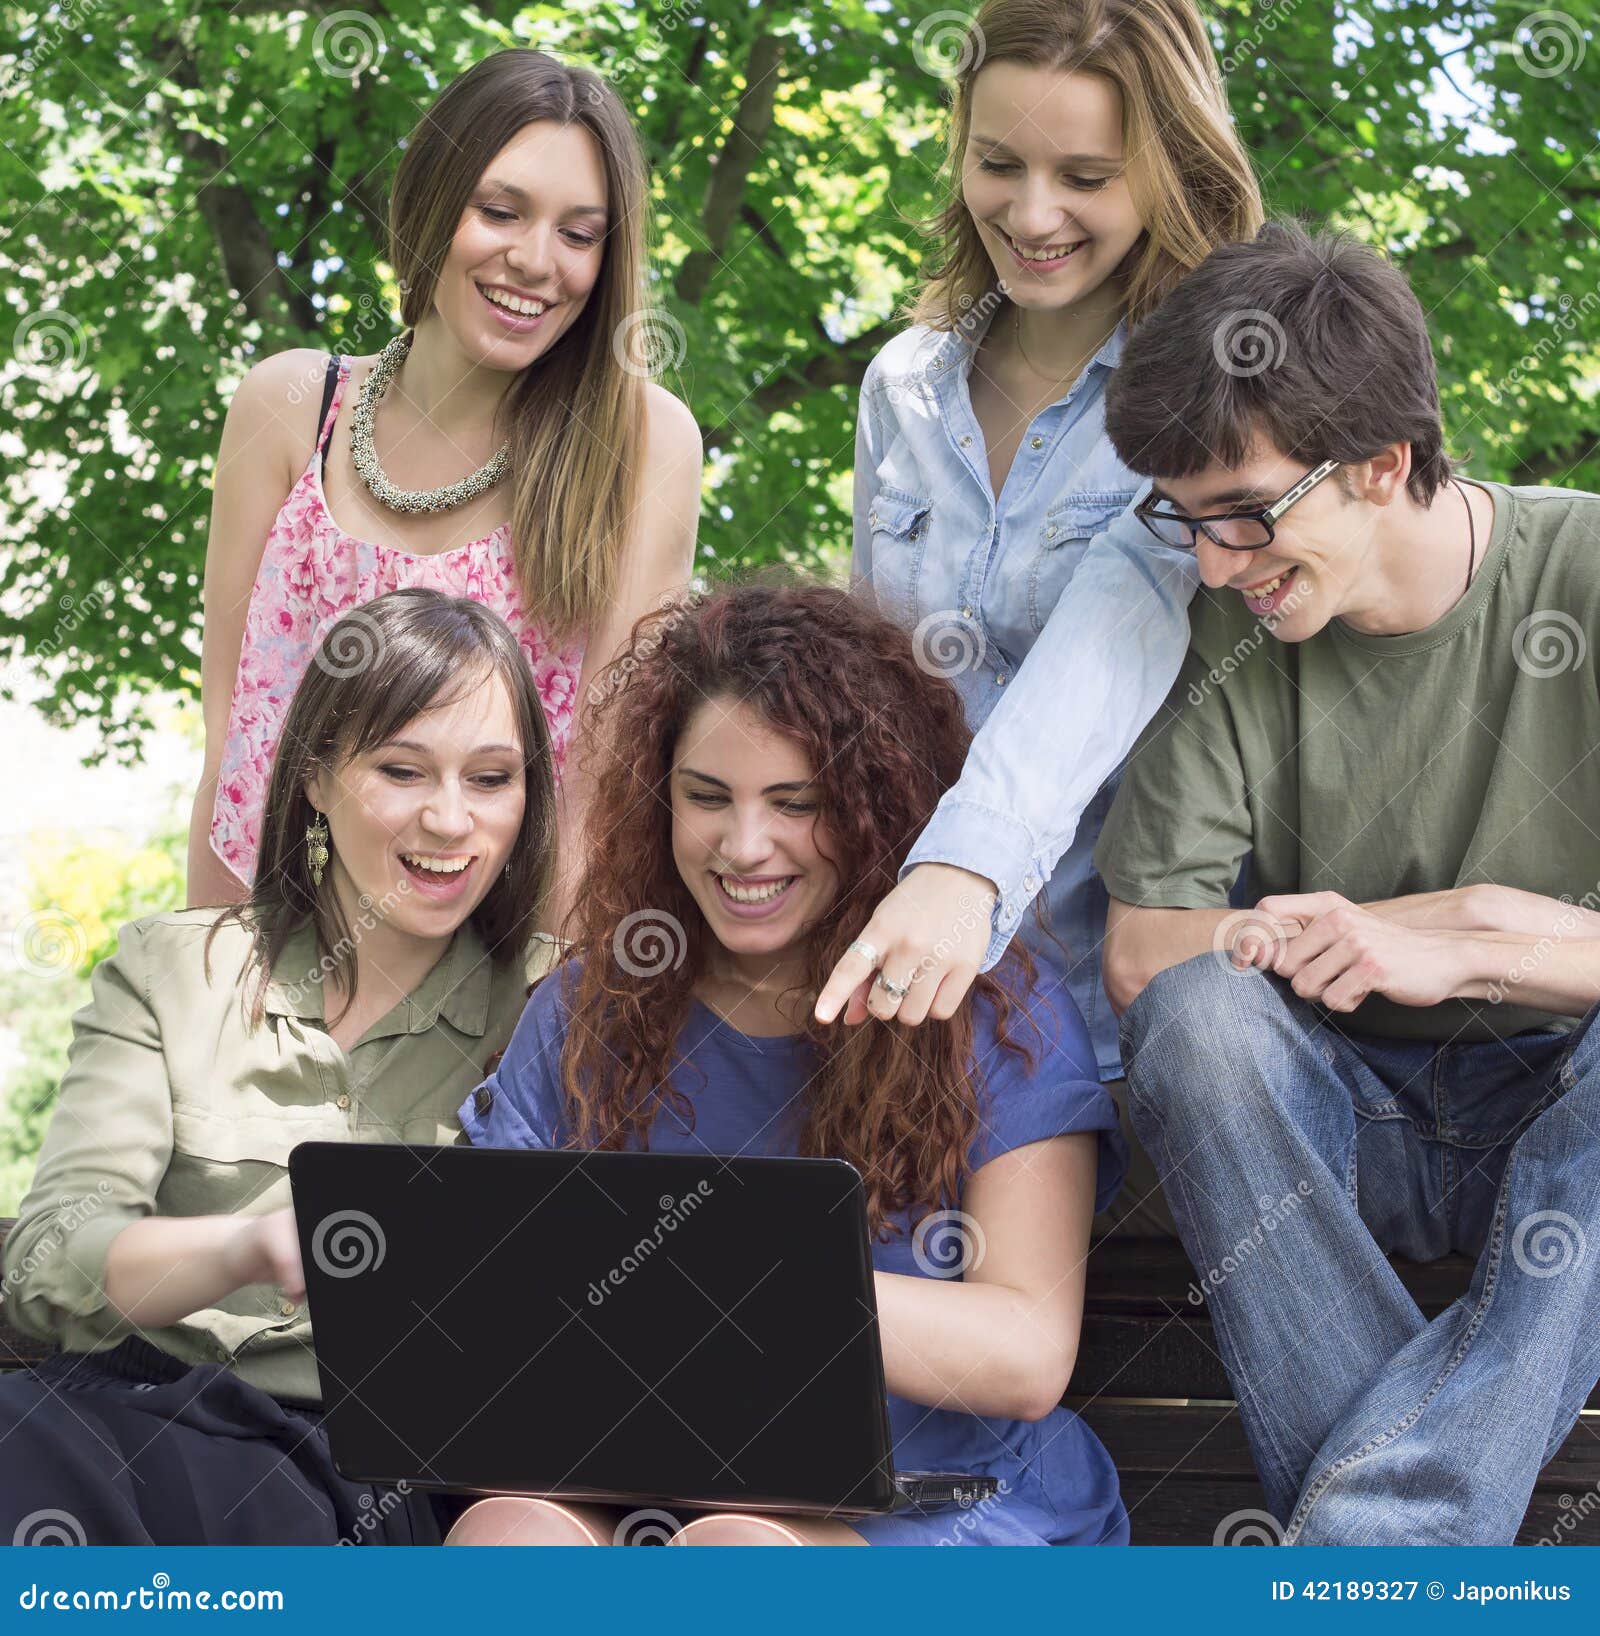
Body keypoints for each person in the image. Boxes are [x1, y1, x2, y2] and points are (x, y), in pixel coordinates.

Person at [1092, 221, 1600, 1544]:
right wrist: (1360, 941)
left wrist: (1473, 940)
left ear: (1383, 463)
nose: (1213, 561)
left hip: (1565, 1141)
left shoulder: (1586, 577)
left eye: (1246, 514)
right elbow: (1149, 950)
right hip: (1335, 1127)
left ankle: (1374, 1554)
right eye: (1184, 519)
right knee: (1198, 1022)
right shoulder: (1233, 629)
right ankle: (1407, 1543)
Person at [445, 583, 1128, 1546]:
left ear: (874, 808)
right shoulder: (591, 1005)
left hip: (932, 1494)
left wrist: (736, 1274)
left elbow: (1025, 1353)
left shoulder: (991, 1009)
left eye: (796, 804)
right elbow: (482, 1284)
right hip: (650, 1479)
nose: (744, 846)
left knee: (739, 1553)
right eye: (706, 797)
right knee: (508, 1536)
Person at [1, 590, 560, 1545]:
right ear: (312, 776)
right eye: (400, 770)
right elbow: (46, 1260)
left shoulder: (558, 1006)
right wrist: (241, 1249)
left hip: (369, 1470)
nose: (449, 818)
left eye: (492, 778)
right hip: (120, 1409)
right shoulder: (173, 970)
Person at [830, 0, 1261, 1233]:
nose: (1030, 215)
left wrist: (962, 874)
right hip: (908, 992)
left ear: (1169, 172)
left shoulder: (1218, 383)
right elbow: (873, 691)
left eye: (1083, 176)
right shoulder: (900, 386)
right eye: (997, 164)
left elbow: (1113, 638)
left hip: (1109, 1014)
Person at [188, 47, 701, 929]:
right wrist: (205, 1001)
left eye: (580, 234)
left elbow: (599, 788)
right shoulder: (288, 406)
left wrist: (530, 1044)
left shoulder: (642, 440)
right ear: (429, 203)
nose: (539, 261)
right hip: (284, 956)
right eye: (501, 211)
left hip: (496, 984)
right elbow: (232, 742)